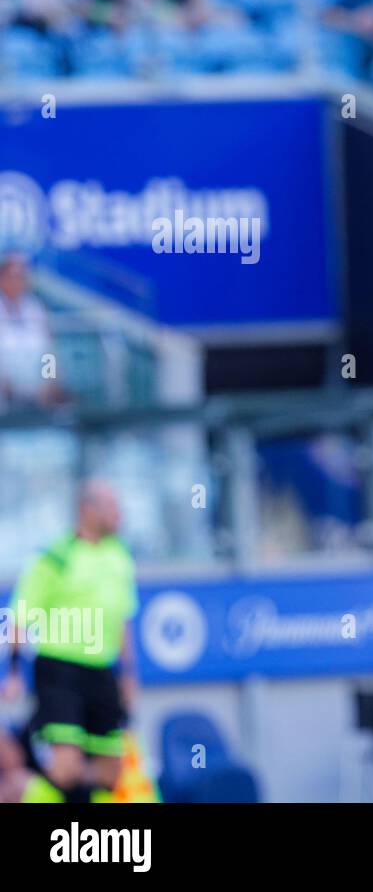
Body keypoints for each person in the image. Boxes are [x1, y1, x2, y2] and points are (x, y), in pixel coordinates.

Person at [2, 480, 139, 803]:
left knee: (110, 771)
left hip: (102, 671)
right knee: (65, 766)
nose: (119, 515)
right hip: (59, 668)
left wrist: (129, 673)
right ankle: (22, 785)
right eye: (112, 507)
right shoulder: (55, 557)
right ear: (87, 510)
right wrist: (13, 672)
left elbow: (122, 618)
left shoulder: (118, 555)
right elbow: (20, 615)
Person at [0, 252, 56, 410]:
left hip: (37, 395)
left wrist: (49, 382)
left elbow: (48, 352)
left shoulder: (35, 308)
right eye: (12, 276)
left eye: (21, 277)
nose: (17, 282)